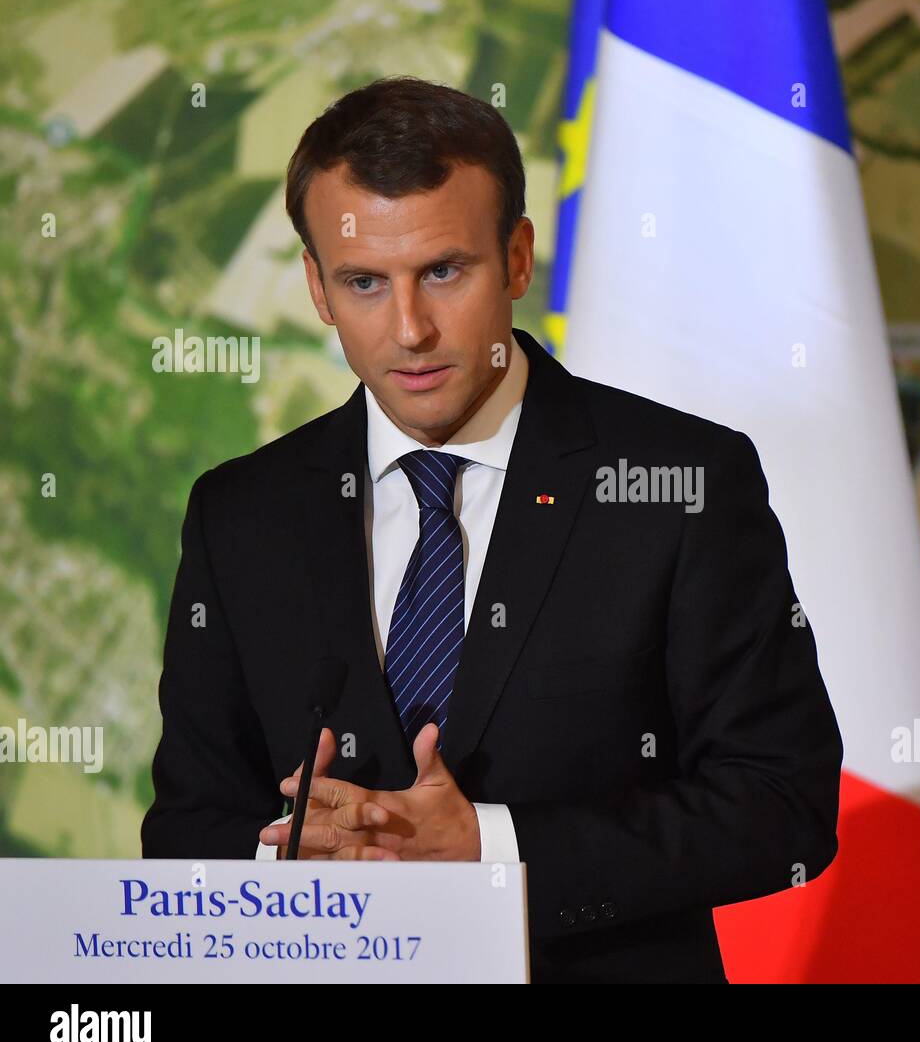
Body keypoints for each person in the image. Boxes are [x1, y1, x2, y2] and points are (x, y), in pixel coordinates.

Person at [141, 75, 843, 984]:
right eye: (363, 282)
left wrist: (490, 847)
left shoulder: (682, 483)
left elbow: (781, 803)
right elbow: (187, 829)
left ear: (516, 259)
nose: (410, 329)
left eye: (443, 271)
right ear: (316, 288)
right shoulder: (242, 513)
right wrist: (292, 872)